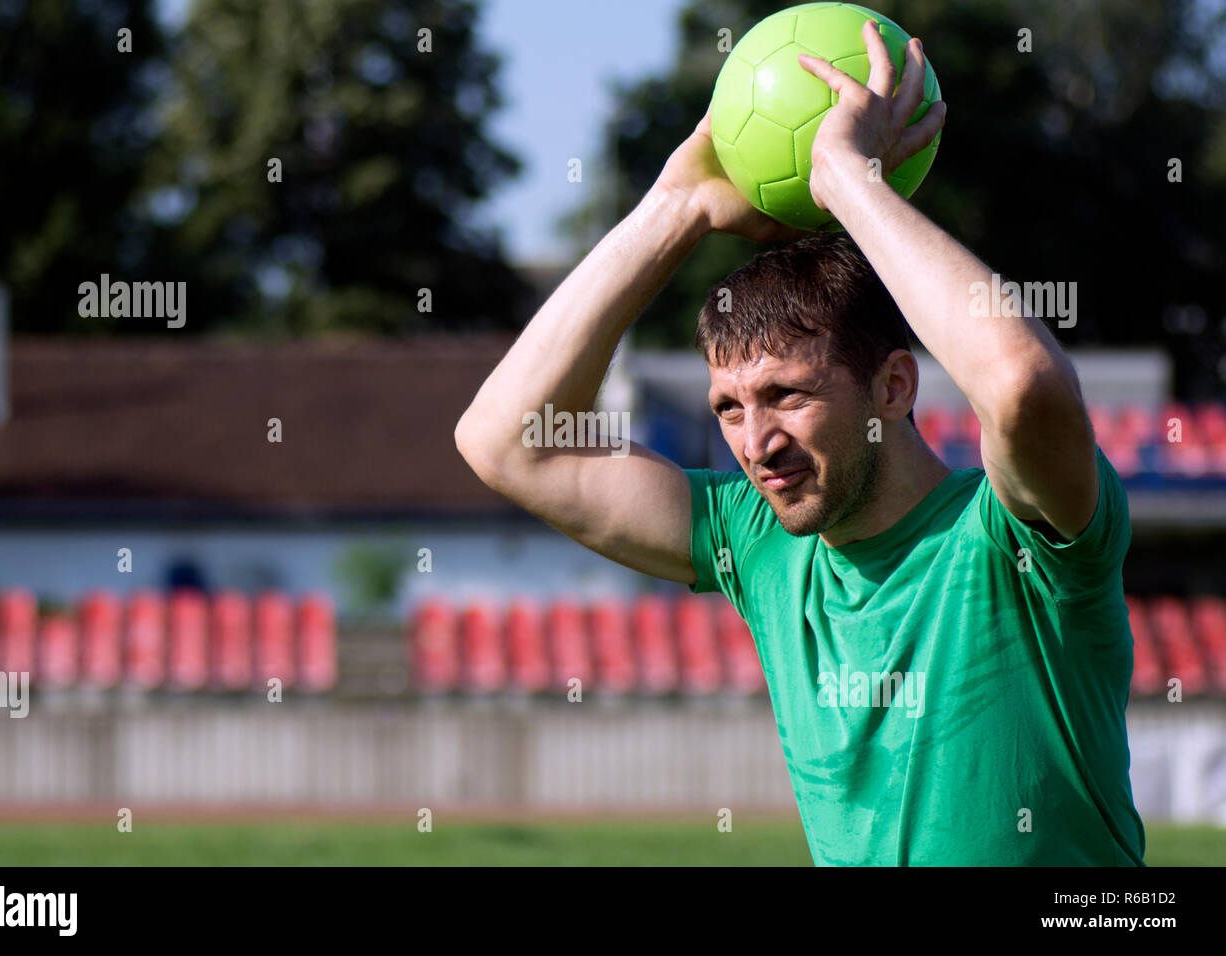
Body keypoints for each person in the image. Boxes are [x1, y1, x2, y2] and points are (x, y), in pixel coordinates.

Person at [455, 22, 1144, 865]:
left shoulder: (1019, 538)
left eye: (786, 394)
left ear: (893, 387)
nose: (756, 441)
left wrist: (850, 182)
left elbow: (1023, 384)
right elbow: (508, 443)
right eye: (729, 407)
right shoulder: (761, 546)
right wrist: (676, 208)